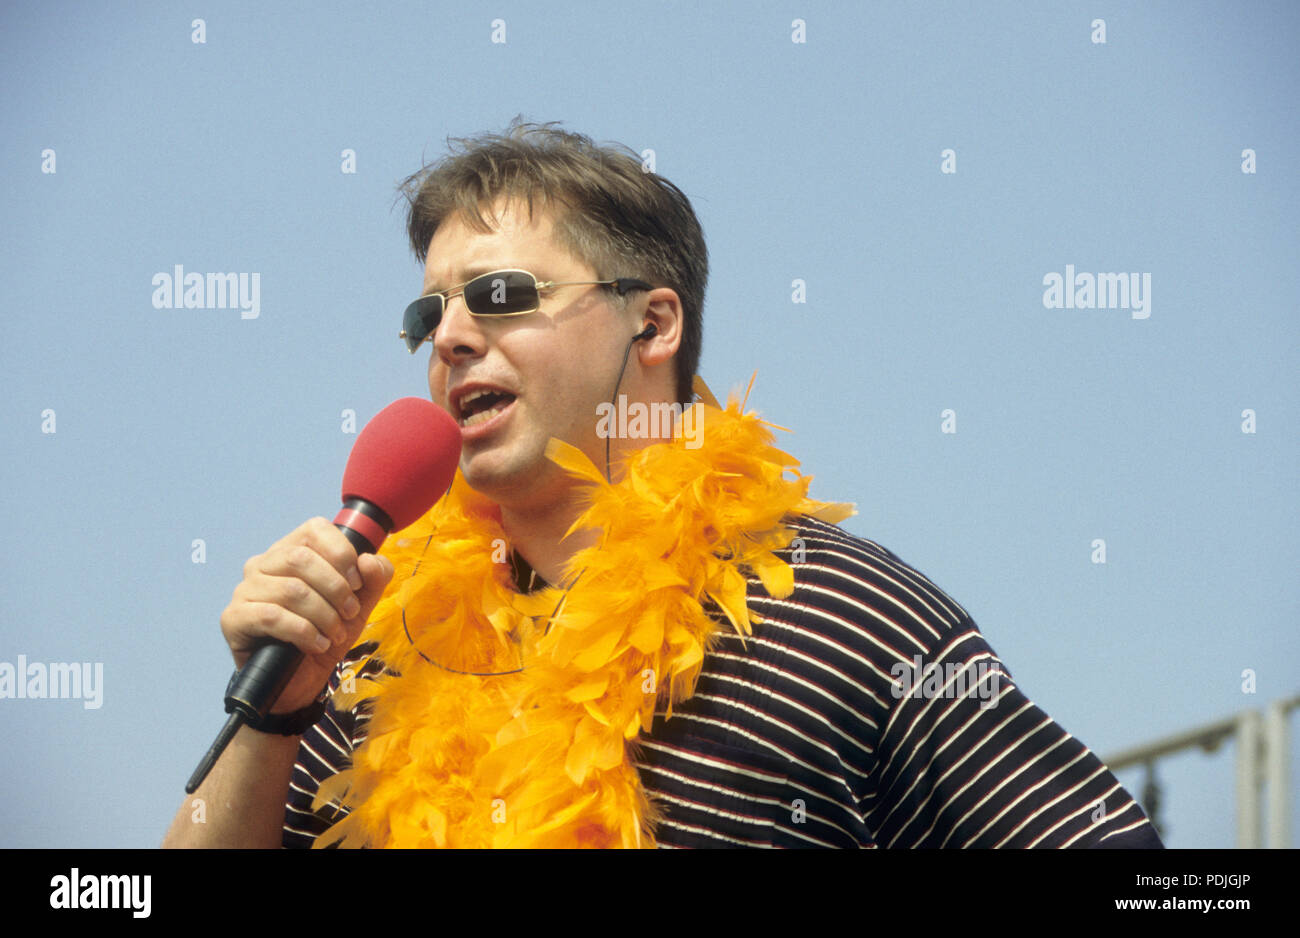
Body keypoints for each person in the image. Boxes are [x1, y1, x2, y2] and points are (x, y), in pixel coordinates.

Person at [163, 120, 1163, 849]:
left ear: (651, 325)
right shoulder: (379, 641)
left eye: (502, 295)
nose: (453, 335)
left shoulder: (842, 609)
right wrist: (278, 710)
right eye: (430, 317)